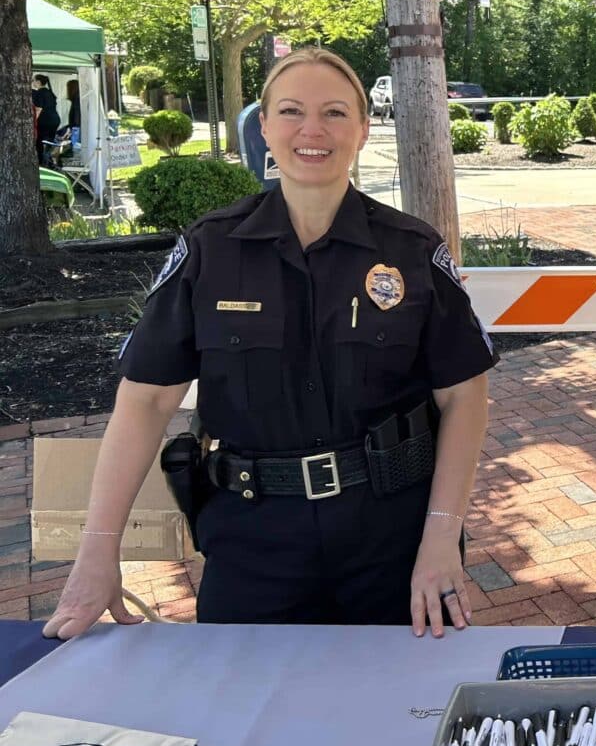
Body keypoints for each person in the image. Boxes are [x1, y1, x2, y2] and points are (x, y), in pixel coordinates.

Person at [44, 47, 498, 640]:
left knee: (402, 716)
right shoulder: (211, 249)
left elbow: (465, 397)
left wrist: (442, 535)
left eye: (335, 113)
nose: (313, 130)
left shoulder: (411, 250)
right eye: (290, 111)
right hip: (253, 541)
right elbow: (147, 401)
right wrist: (98, 552)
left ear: (362, 128)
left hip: (392, 538)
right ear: (263, 127)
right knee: (239, 711)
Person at [32, 74, 59, 166]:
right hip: (54, 119)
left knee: (38, 141)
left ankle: (40, 162)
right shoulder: (49, 92)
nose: (33, 83)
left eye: (33, 80)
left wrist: (34, 121)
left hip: (45, 120)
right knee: (48, 143)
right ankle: (48, 161)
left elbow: (38, 109)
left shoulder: (40, 93)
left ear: (38, 82)